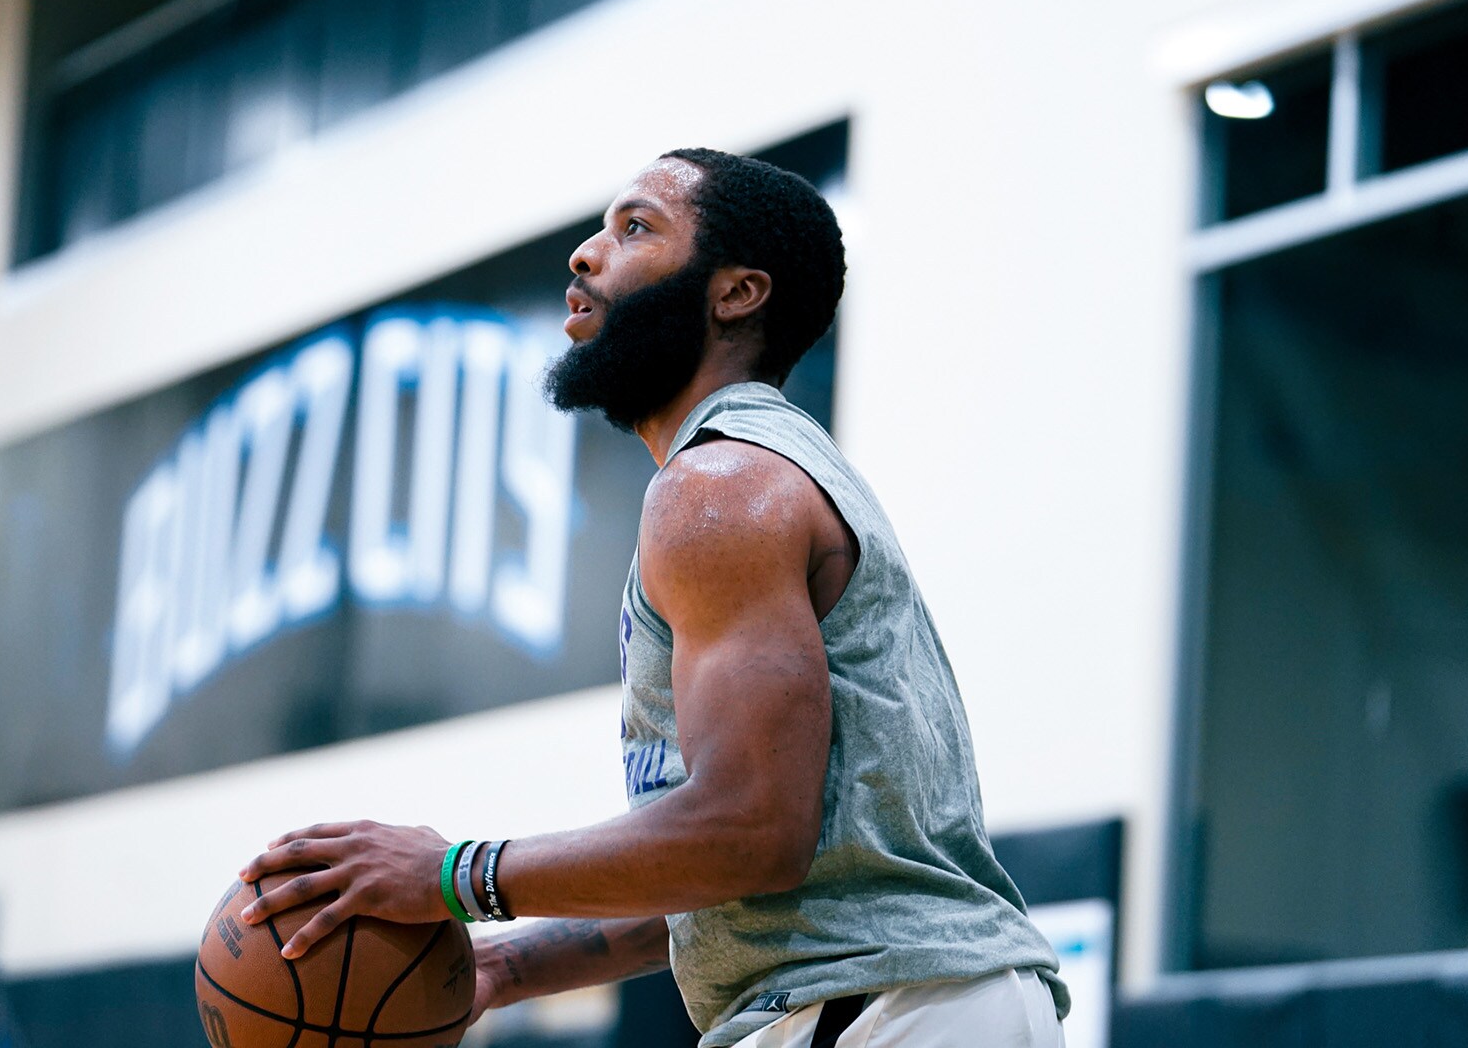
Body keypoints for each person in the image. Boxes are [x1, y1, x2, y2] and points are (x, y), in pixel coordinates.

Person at [237, 149, 1069, 1047]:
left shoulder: (718, 486)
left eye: (636, 228)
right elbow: (736, 867)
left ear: (736, 293)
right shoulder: (749, 473)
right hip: (903, 998)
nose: (585, 255)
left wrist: (453, 876)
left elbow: (751, 831)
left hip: (881, 1004)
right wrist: (503, 966)